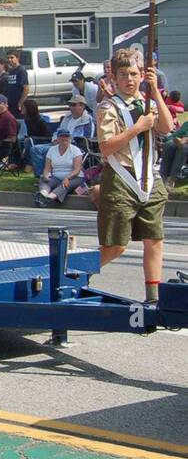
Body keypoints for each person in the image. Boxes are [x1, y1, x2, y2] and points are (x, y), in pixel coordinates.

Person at [96, 49, 174, 304]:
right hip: (121, 179)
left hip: (149, 178)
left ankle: (153, 297)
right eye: (123, 75)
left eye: (134, 74)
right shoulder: (109, 107)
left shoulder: (147, 103)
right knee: (116, 246)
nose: (129, 79)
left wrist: (155, 93)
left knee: (154, 239)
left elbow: (166, 127)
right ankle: (74, 275)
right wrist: (137, 128)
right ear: (114, 78)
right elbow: (107, 147)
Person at [36, 129, 84, 206]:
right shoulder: (51, 150)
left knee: (65, 185)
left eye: (66, 136)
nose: (64, 138)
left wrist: (67, 178)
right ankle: (43, 194)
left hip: (74, 177)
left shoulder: (75, 150)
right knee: (43, 179)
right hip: (56, 176)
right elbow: (47, 168)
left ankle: (49, 198)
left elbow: (77, 170)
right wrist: (46, 175)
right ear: (57, 138)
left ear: (70, 138)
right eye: (61, 136)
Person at [2, 50, 29, 118]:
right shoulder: (10, 71)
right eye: (8, 58)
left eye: (12, 57)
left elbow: (26, 88)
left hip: (17, 104)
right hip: (9, 104)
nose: (9, 60)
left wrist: (20, 103)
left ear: (17, 58)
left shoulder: (21, 70)